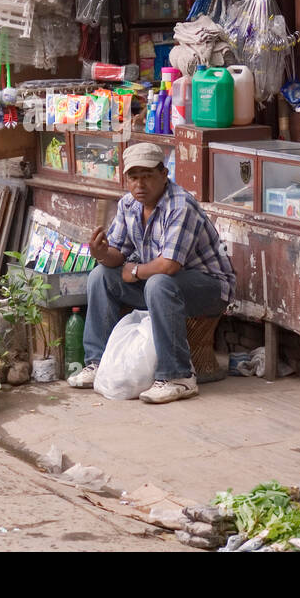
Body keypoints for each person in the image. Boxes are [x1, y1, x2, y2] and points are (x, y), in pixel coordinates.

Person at [68, 142, 236, 404]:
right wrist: (100, 253)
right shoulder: (128, 205)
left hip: (209, 288)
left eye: (147, 177)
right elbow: (116, 256)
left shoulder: (180, 205)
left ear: (164, 174)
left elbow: (169, 266)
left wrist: (133, 271)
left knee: (159, 283)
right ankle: (98, 362)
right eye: (134, 178)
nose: (140, 185)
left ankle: (179, 377)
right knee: (100, 275)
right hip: (159, 285)